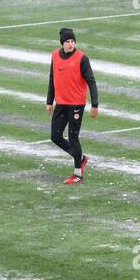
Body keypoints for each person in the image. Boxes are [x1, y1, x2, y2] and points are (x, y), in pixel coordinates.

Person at [46, 27, 99, 185]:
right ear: (62, 43)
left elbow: (91, 82)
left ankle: (78, 173)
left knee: (73, 137)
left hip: (76, 104)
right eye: (67, 41)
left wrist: (94, 104)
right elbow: (52, 78)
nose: (70, 44)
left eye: (72, 41)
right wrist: (50, 101)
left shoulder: (82, 58)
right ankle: (80, 158)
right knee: (55, 136)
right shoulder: (55, 56)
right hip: (61, 103)